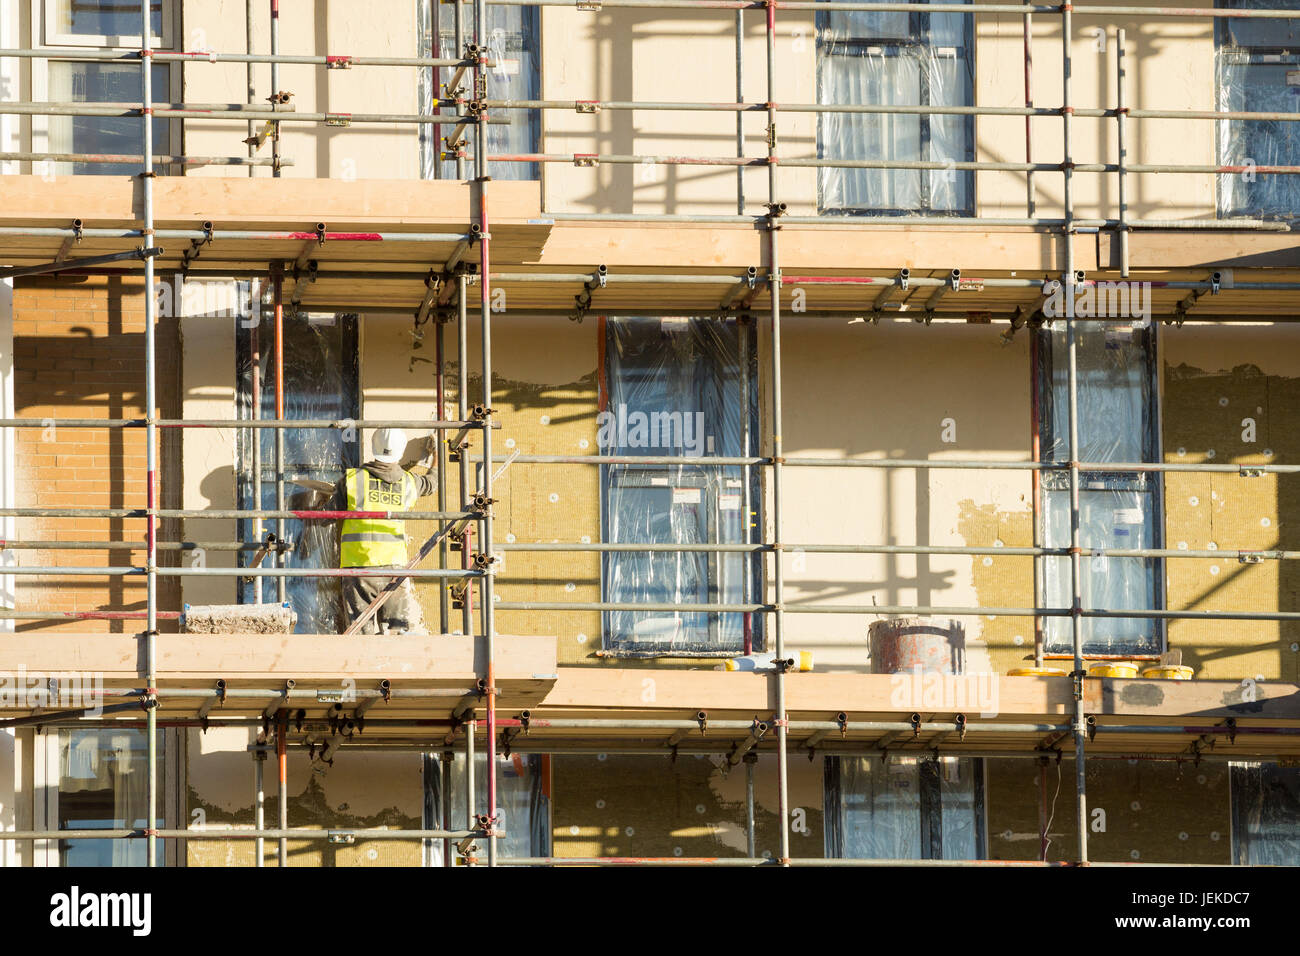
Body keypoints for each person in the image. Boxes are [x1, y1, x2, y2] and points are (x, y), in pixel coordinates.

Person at [330, 427, 437, 634]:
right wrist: (436, 456)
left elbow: (331, 514)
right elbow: (432, 484)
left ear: (373, 447)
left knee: (360, 633)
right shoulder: (408, 482)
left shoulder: (352, 480)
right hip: (394, 569)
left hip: (358, 568)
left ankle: (362, 666)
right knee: (398, 633)